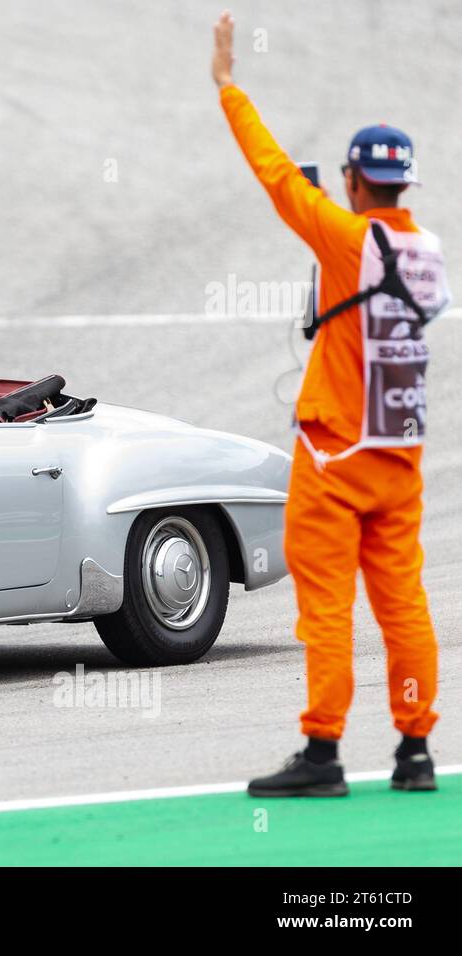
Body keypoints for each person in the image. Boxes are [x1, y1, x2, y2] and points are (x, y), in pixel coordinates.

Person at [209, 14, 451, 797]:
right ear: (404, 184)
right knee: (404, 605)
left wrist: (229, 90)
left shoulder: (347, 239)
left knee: (326, 609)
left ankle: (322, 754)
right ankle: (416, 751)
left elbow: (277, 175)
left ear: (352, 180)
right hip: (400, 453)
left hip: (334, 453)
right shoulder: (425, 251)